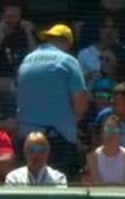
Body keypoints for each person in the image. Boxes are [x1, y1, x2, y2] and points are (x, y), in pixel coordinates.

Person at [15, 23, 88, 181]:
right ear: (68, 42)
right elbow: (80, 103)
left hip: (26, 140)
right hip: (57, 142)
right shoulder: (68, 61)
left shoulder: (26, 60)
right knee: (62, 192)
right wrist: (69, 123)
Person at [85, 115, 125, 185]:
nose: (111, 135)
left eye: (115, 131)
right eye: (108, 130)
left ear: (121, 134)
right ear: (102, 133)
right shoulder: (92, 157)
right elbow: (97, 185)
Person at [4, 132, 68, 185]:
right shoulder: (14, 178)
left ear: (48, 152)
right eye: (31, 149)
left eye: (41, 150)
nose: (36, 154)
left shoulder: (58, 179)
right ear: (24, 151)